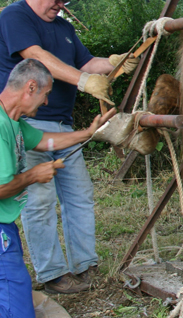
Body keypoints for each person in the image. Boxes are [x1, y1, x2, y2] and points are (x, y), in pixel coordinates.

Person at [0, 0, 139, 294]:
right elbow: (35, 56)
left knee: (80, 195)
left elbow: (88, 64)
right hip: (27, 123)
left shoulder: (63, 27)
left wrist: (117, 62)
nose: (61, 5)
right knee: (40, 199)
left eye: (64, 1)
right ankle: (52, 274)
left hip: (63, 123)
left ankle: (85, 265)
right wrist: (84, 81)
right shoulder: (13, 16)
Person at [0, 59, 115, 316]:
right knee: (17, 307)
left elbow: (44, 140)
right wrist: (33, 175)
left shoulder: (13, 122)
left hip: (5, 227)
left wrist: (89, 132)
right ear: (31, 87)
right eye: (46, 94)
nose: (47, 102)